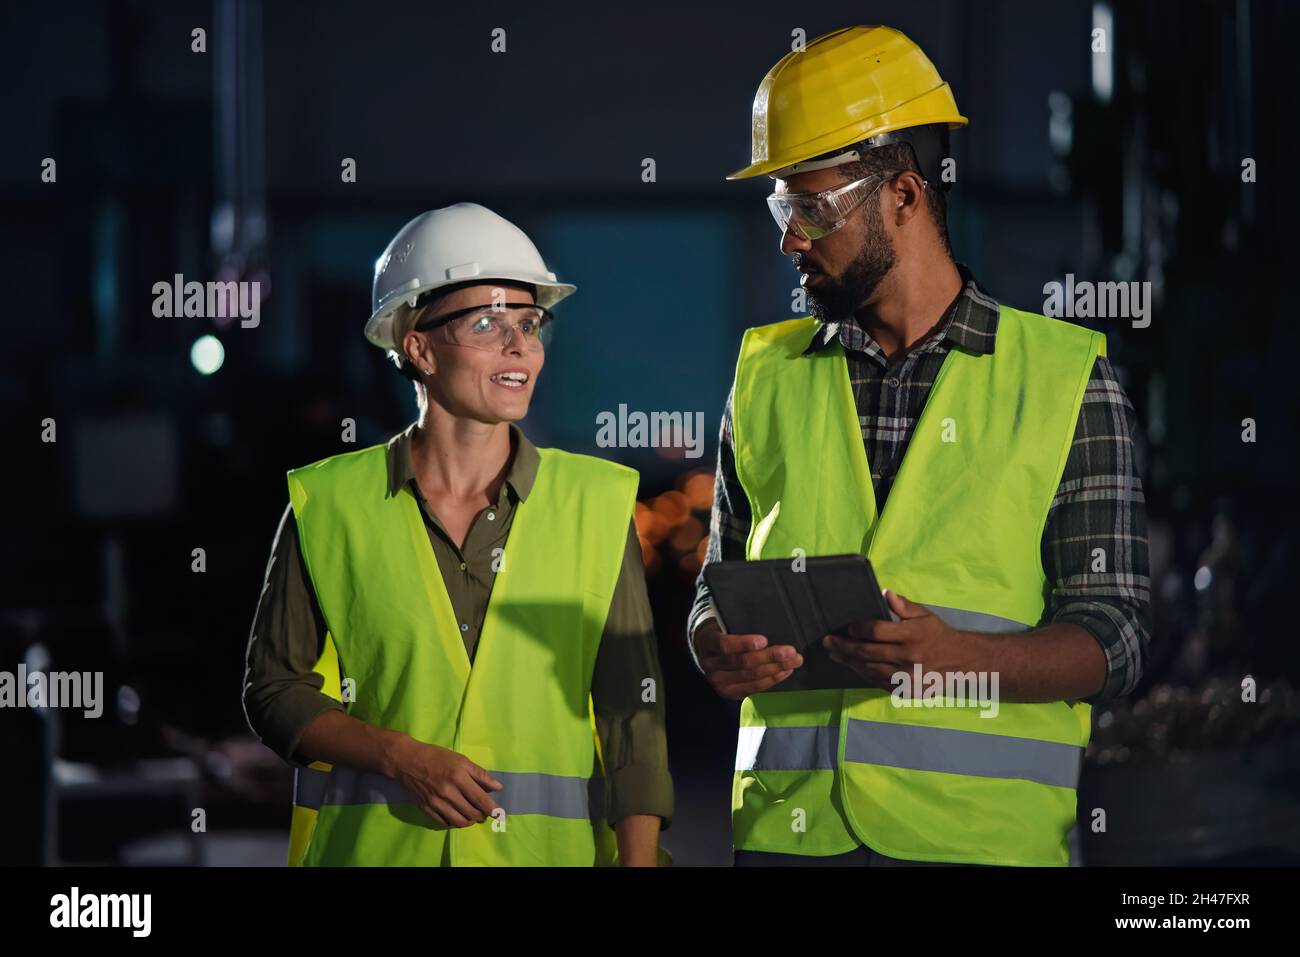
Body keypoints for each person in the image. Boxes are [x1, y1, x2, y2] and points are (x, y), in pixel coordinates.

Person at [689, 26, 1150, 866]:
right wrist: (713, 642)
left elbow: (1115, 637)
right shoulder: (765, 376)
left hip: (976, 842)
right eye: (779, 208)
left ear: (902, 194)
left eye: (812, 209)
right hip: (791, 837)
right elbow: (712, 588)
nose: (790, 238)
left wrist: (959, 659)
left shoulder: (1064, 381)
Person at [243, 203, 672, 865]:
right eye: (486, 323)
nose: (520, 346)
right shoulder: (327, 504)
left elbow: (631, 717)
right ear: (417, 347)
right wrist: (400, 756)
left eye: (530, 324)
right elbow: (274, 690)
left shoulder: (596, 503)